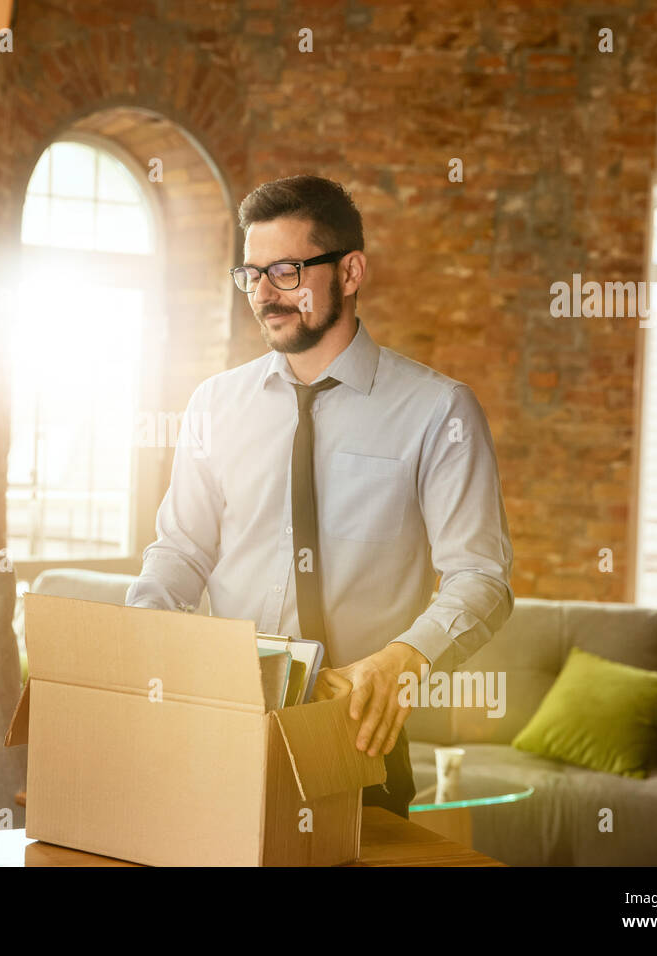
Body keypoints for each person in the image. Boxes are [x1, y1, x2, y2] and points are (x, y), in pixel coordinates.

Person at [125, 174, 515, 818]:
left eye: (285, 271)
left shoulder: (438, 410)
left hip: (357, 732)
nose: (264, 295)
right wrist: (132, 640)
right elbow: (181, 551)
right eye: (251, 274)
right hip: (225, 724)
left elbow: (481, 578)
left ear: (351, 271)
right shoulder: (214, 405)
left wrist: (405, 660)